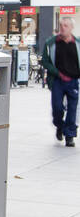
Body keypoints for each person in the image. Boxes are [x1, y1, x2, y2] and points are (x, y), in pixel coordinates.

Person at [42, 16, 78, 147]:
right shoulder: (51, 43)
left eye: (66, 26)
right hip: (58, 80)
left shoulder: (77, 43)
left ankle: (70, 135)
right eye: (61, 25)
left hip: (73, 81)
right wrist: (56, 72)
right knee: (57, 108)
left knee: (73, 109)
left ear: (71, 28)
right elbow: (44, 61)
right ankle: (60, 125)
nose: (63, 28)